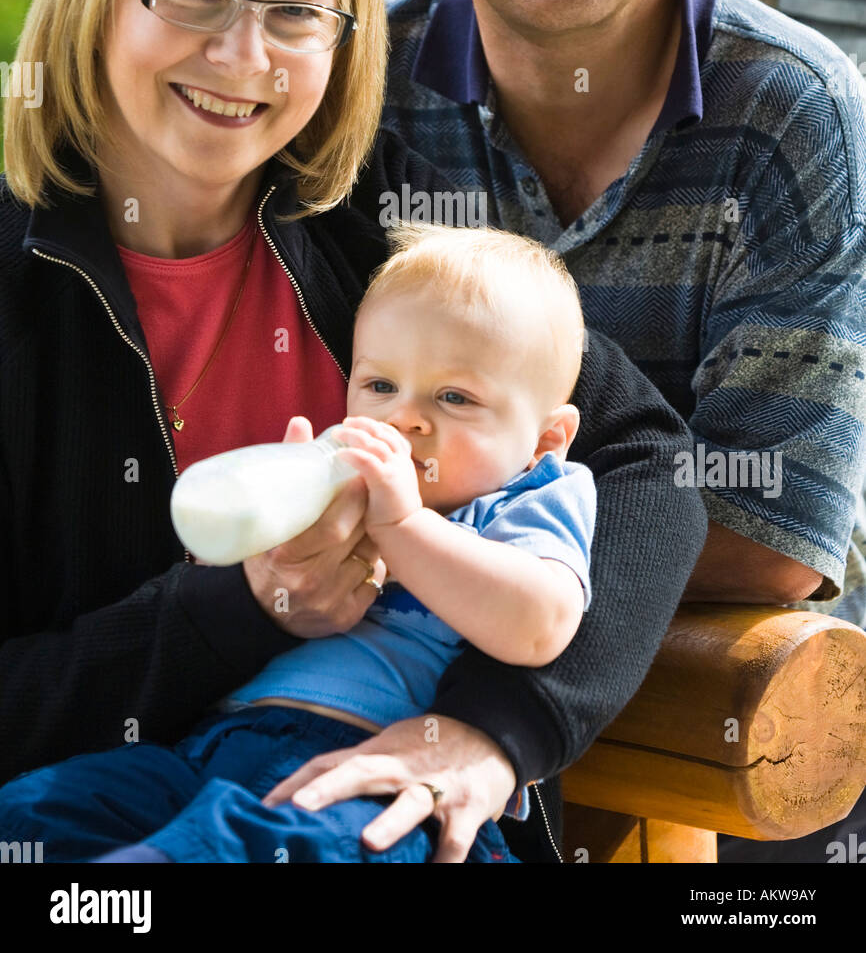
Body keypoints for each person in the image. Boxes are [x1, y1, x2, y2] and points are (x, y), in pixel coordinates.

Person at [0, 0, 705, 864]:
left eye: (294, 12)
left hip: (366, 825)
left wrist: (491, 730)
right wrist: (239, 608)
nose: (243, 57)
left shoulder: (374, 227)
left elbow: (645, 458)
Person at [382, 0, 866, 858]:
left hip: (733, 717)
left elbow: (770, 542)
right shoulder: (356, 92)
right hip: (393, 691)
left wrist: (434, 545)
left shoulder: (797, 115)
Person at [0, 223, 597, 864]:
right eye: (380, 386)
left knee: (248, 846)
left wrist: (404, 529)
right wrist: (249, 548)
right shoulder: (338, 480)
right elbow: (219, 581)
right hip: (215, 740)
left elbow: (540, 625)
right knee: (40, 808)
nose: (404, 418)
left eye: (454, 397)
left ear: (545, 438)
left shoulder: (532, 497)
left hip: (369, 774)